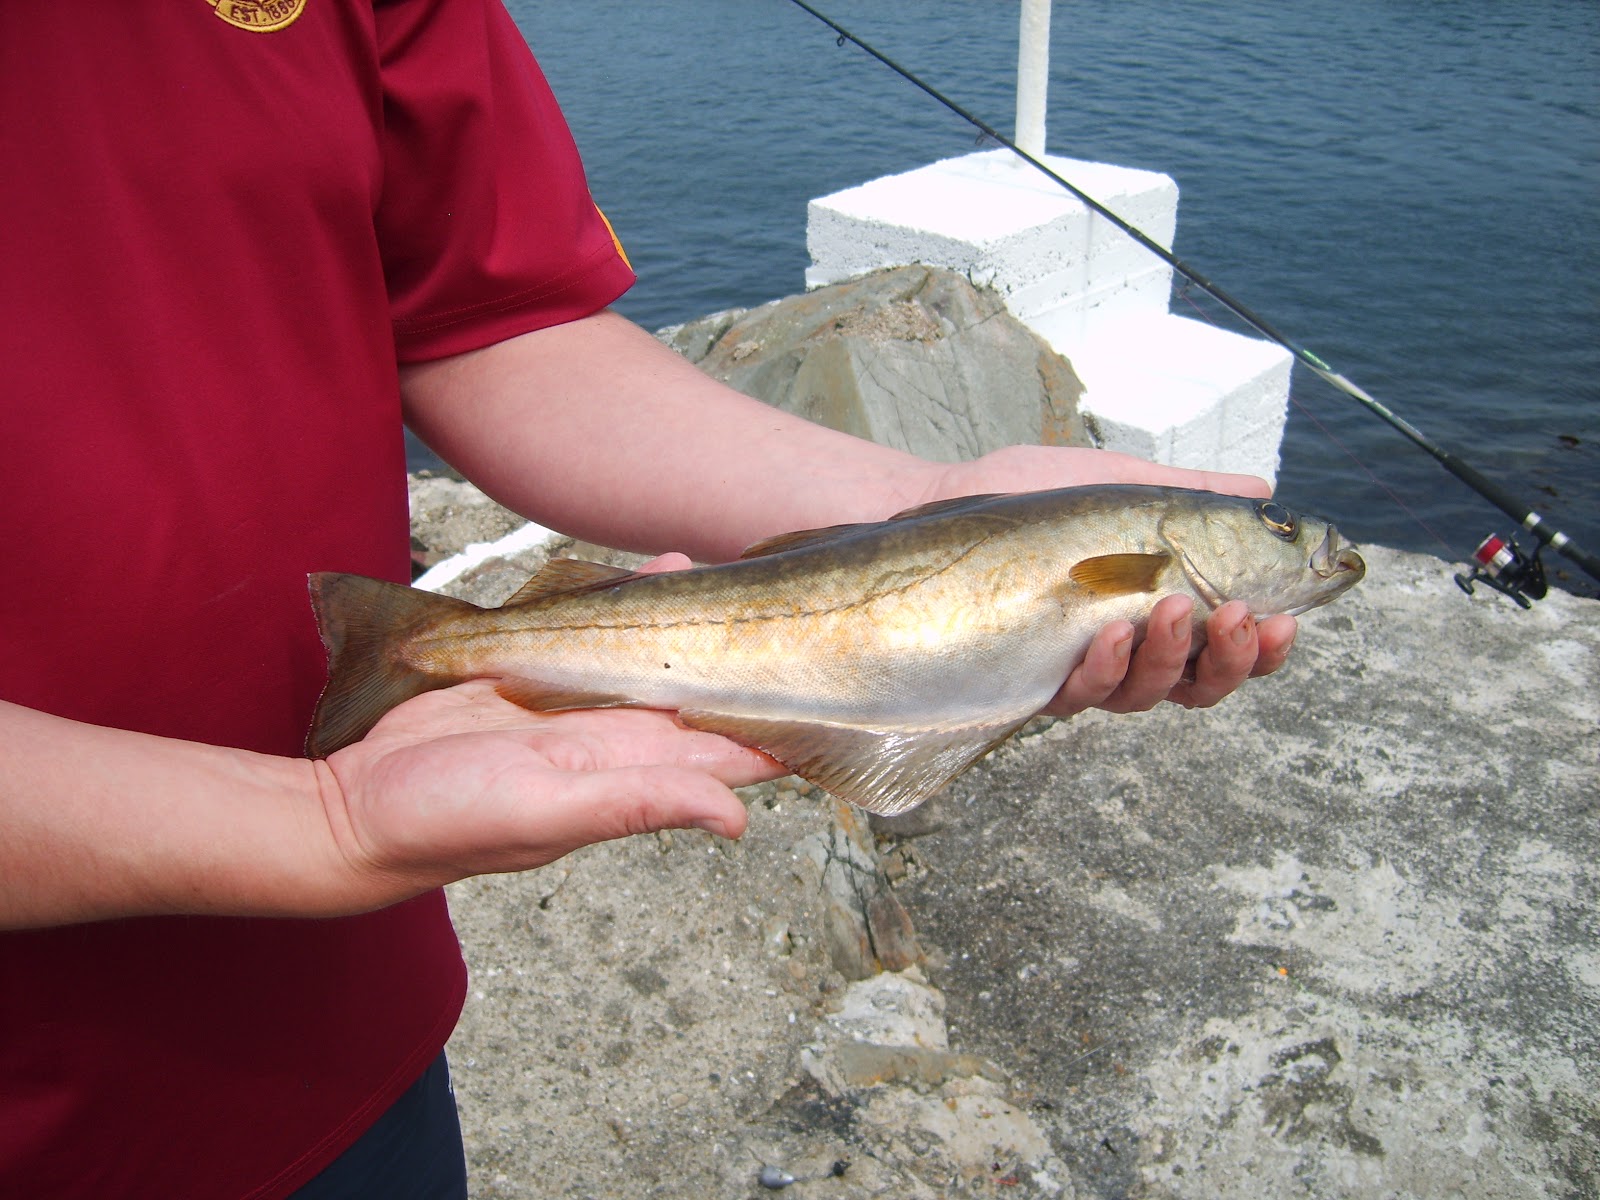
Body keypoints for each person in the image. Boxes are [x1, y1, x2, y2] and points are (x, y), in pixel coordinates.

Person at [0, 3, 1296, 1196]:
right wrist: (318, 823)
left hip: (341, 1052)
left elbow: (488, 320)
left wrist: (938, 503)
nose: (1303, 549)